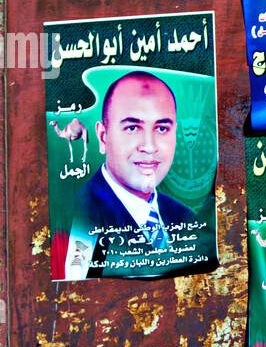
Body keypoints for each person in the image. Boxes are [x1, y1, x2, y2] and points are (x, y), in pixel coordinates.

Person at [71, 70, 207, 279]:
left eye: (162, 129)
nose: (149, 146)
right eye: (133, 127)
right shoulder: (79, 217)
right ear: (102, 136)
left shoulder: (185, 218)